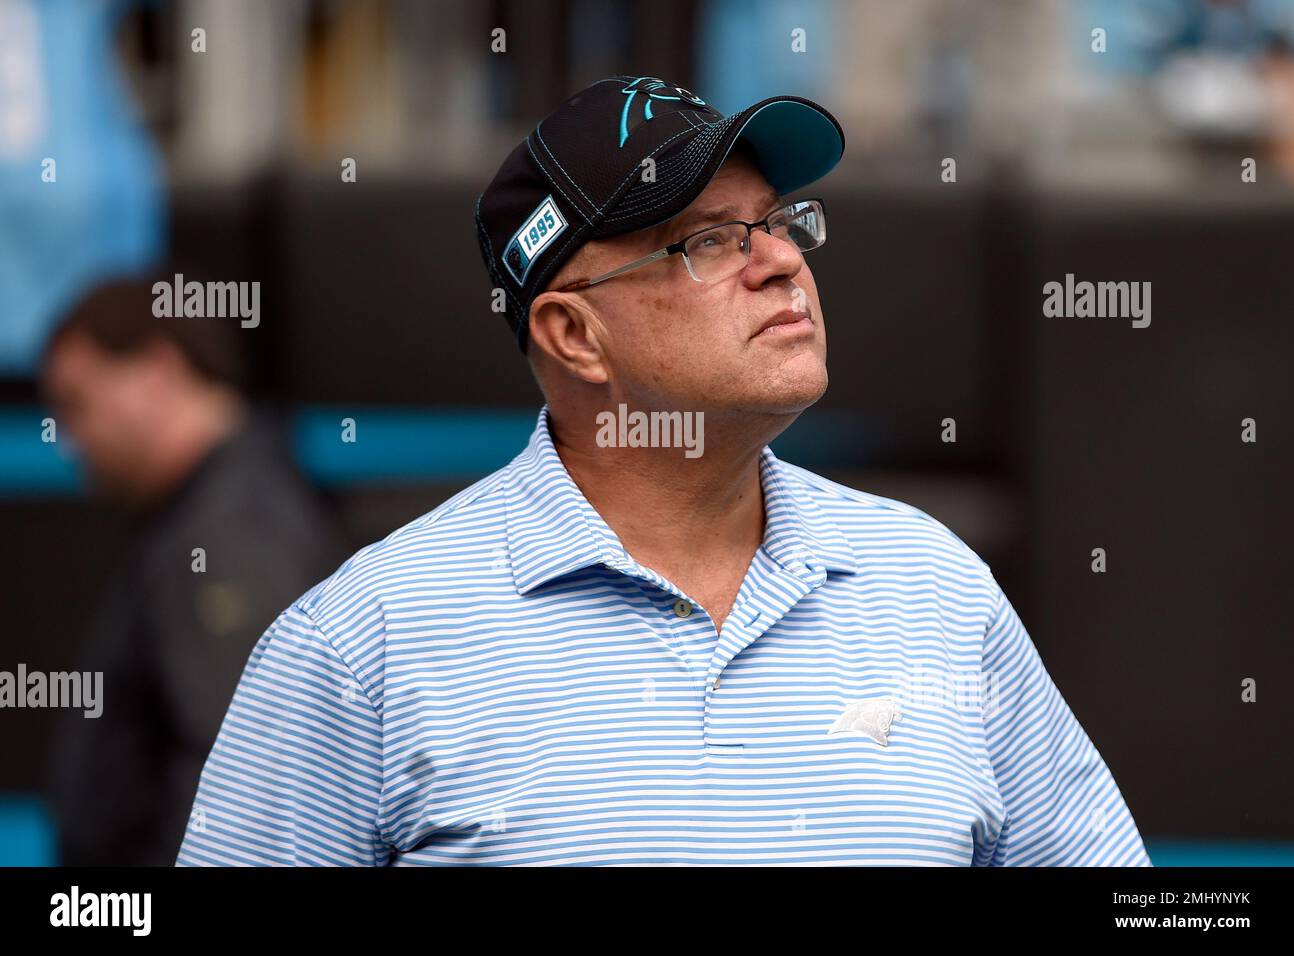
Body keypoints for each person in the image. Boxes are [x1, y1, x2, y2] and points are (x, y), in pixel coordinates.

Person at [177, 75, 1150, 866]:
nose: (779, 262)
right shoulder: (366, 641)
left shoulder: (933, 588)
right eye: (709, 240)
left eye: (778, 222)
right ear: (573, 333)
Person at [40, 279, 348, 865]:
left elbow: (247, 780)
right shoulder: (211, 512)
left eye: (77, 403)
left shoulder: (233, 531)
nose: (68, 440)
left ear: (158, 370)